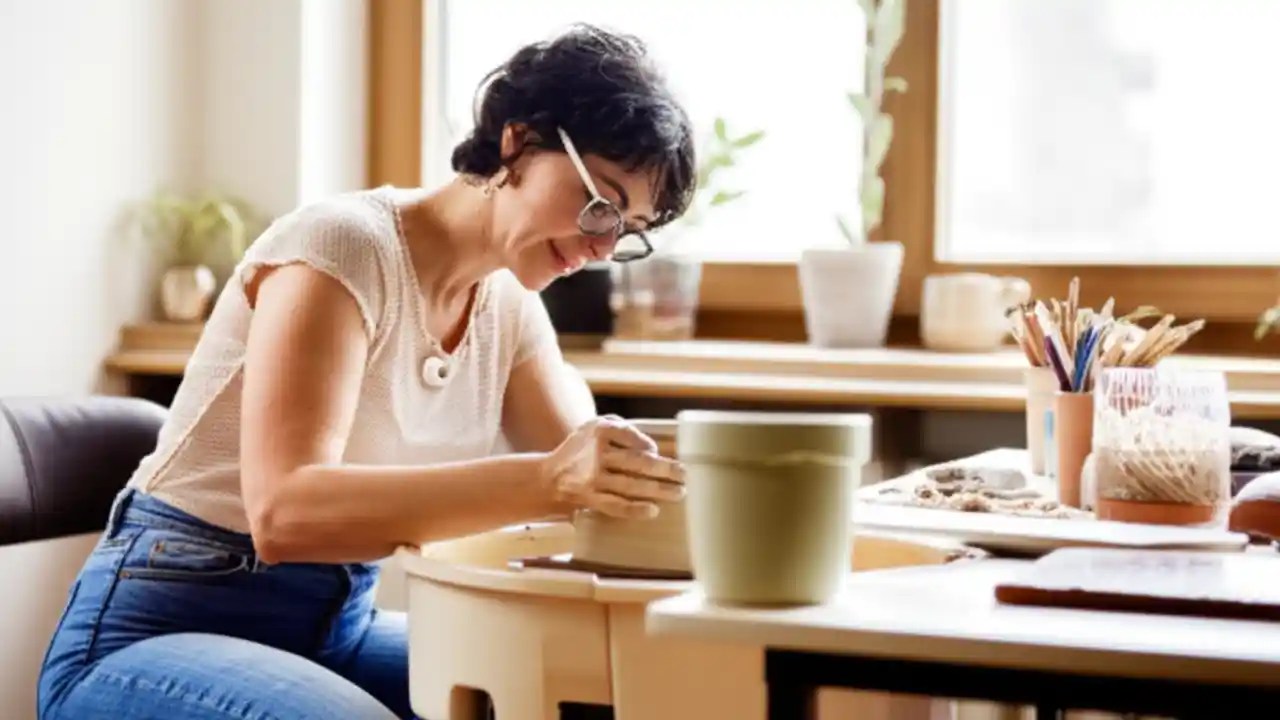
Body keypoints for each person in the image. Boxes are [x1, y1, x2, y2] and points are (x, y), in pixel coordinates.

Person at [37, 23, 696, 720]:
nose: (600, 245)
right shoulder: (343, 248)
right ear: (520, 141)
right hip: (157, 629)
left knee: (573, 698)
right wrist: (547, 480)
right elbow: (285, 513)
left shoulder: (510, 306)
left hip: (332, 633)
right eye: (602, 203)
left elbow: (591, 471)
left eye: (627, 230)